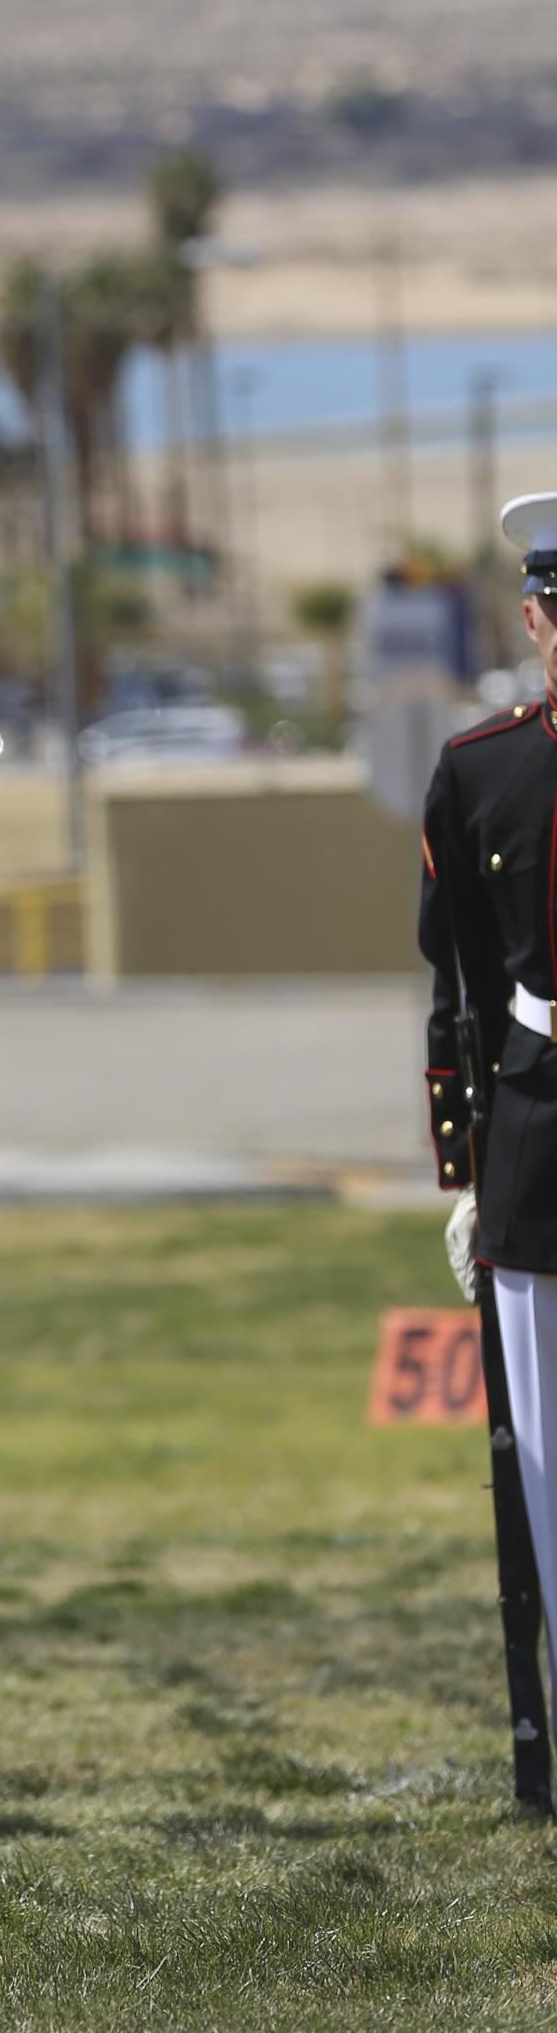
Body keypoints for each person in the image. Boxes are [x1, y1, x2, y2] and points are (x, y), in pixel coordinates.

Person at [425, 495, 557, 1613]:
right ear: (532, 618)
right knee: (550, 1467)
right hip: (537, 1128)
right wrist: (464, 1168)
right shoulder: (480, 771)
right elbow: (457, 982)